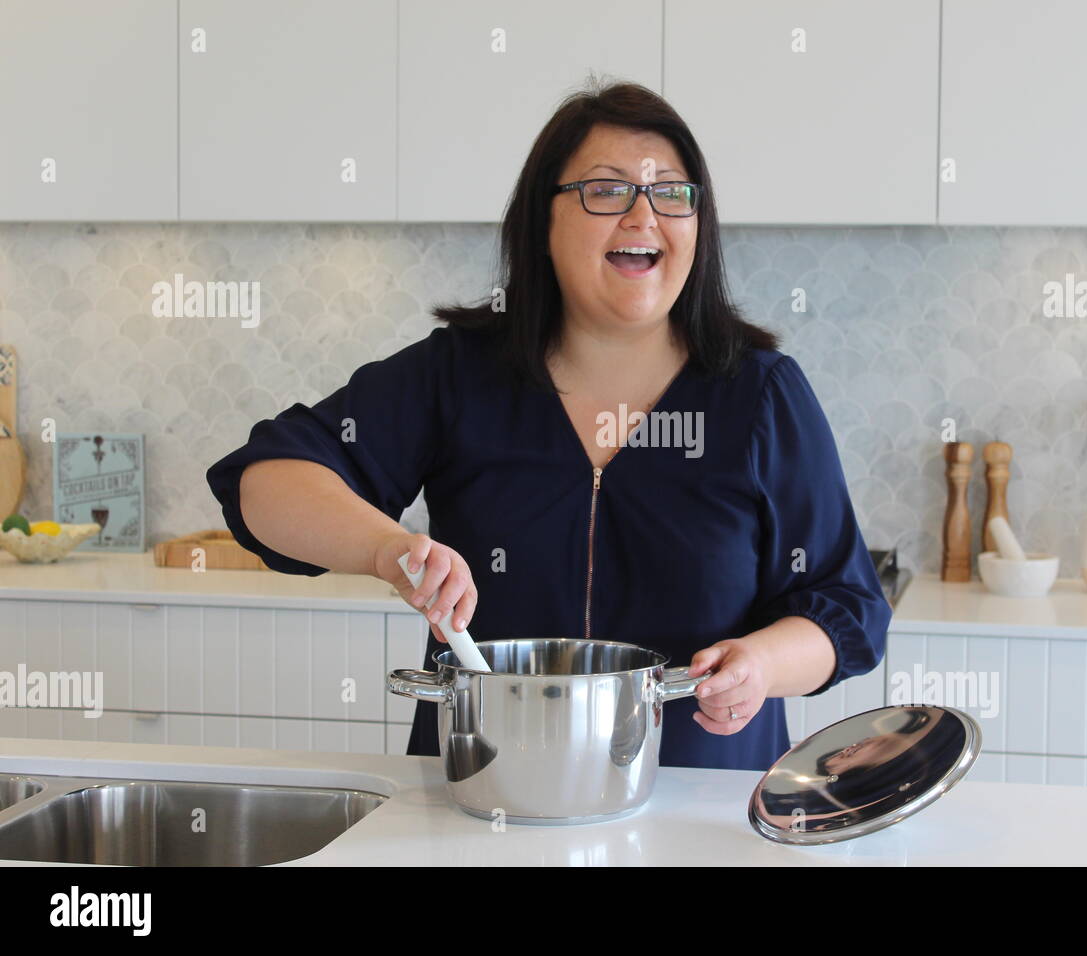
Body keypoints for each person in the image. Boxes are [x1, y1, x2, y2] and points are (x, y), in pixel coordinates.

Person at [206, 80, 891, 771]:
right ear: (543, 221)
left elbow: (848, 608)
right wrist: (390, 551)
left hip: (696, 810)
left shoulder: (762, 395)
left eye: (671, 192)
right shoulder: (459, 376)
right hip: (483, 801)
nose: (643, 215)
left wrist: (764, 664)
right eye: (606, 190)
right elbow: (266, 483)